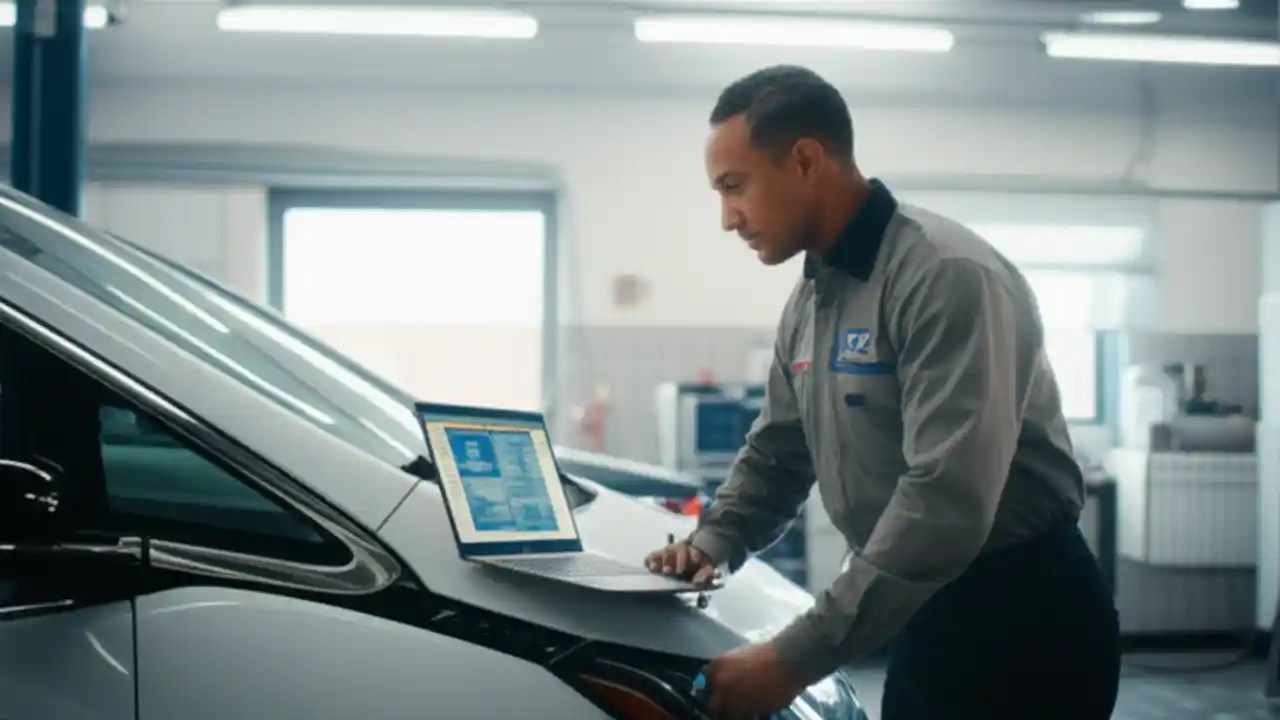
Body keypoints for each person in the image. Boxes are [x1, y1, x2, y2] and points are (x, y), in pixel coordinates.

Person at [644, 65, 1120, 720]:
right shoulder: (812, 299)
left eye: (734, 187)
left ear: (805, 159)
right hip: (927, 609)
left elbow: (945, 501)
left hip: (1022, 617)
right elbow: (779, 452)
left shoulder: (945, 276)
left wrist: (793, 659)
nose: (727, 218)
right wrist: (712, 541)